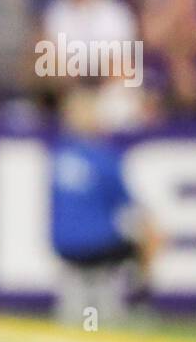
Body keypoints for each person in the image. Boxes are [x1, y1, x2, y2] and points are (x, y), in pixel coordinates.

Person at [50, 89, 157, 328]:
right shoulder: (104, 159)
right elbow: (130, 206)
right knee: (151, 235)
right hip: (99, 246)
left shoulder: (57, 157)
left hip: (63, 246)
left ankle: (89, 305)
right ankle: (139, 301)